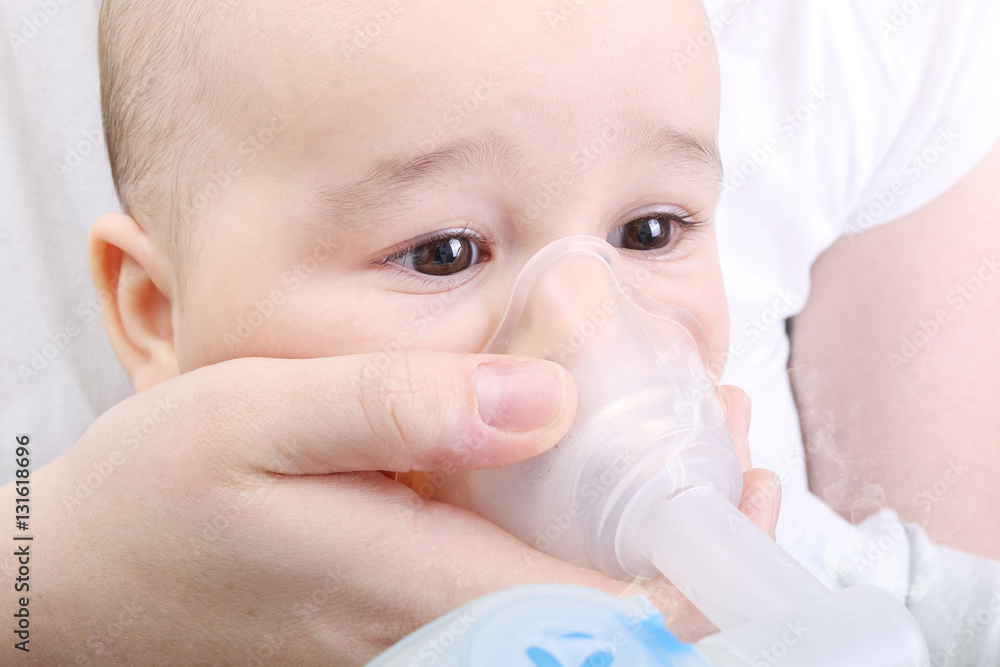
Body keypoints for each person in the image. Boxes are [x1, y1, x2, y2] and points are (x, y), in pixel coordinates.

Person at [1, 0, 998, 664]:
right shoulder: (135, 609)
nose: (587, 328)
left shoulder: (776, 572)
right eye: (442, 251)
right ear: (156, 315)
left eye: (649, 231)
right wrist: (60, 595)